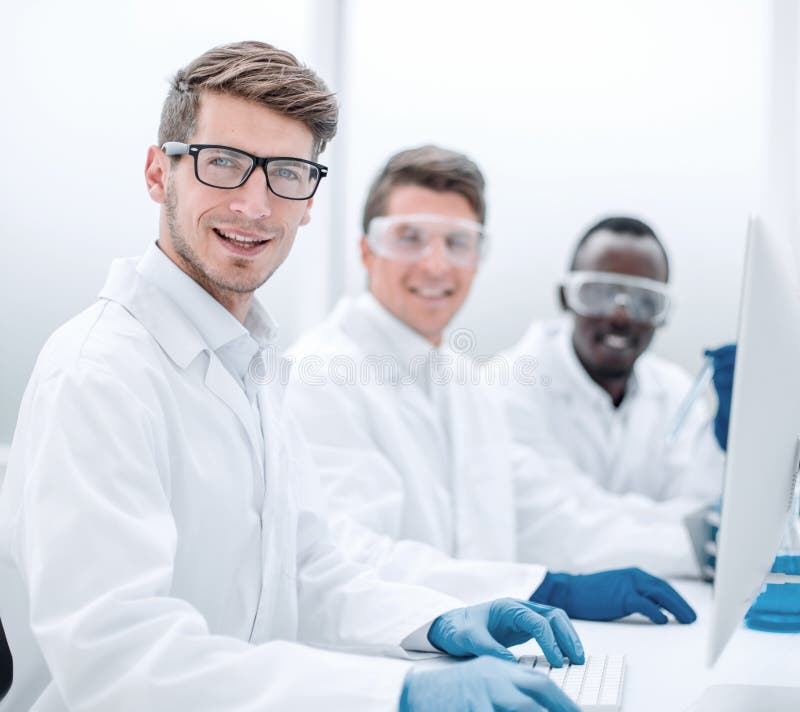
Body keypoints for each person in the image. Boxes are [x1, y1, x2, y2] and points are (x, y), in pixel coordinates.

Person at [0, 43, 591, 712]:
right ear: (157, 173)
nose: (255, 205)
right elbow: (121, 661)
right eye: (222, 163)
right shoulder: (99, 376)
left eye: (286, 172)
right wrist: (401, 691)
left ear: (309, 199)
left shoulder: (248, 366)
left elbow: (310, 575)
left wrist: (436, 622)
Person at [284, 143, 709, 620]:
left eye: (458, 242)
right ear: (367, 250)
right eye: (410, 237)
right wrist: (542, 590)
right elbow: (350, 558)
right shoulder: (319, 377)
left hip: (480, 655)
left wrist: (700, 545)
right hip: (381, 674)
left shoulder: (462, 379)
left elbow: (547, 511)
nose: (436, 264)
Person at [499, 216, 730, 503]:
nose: (621, 315)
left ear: (664, 314)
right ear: (565, 297)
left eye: (644, 300)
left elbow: (701, 502)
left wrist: (723, 447)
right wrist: (683, 527)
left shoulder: (676, 393)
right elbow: (558, 524)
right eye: (599, 293)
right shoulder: (507, 387)